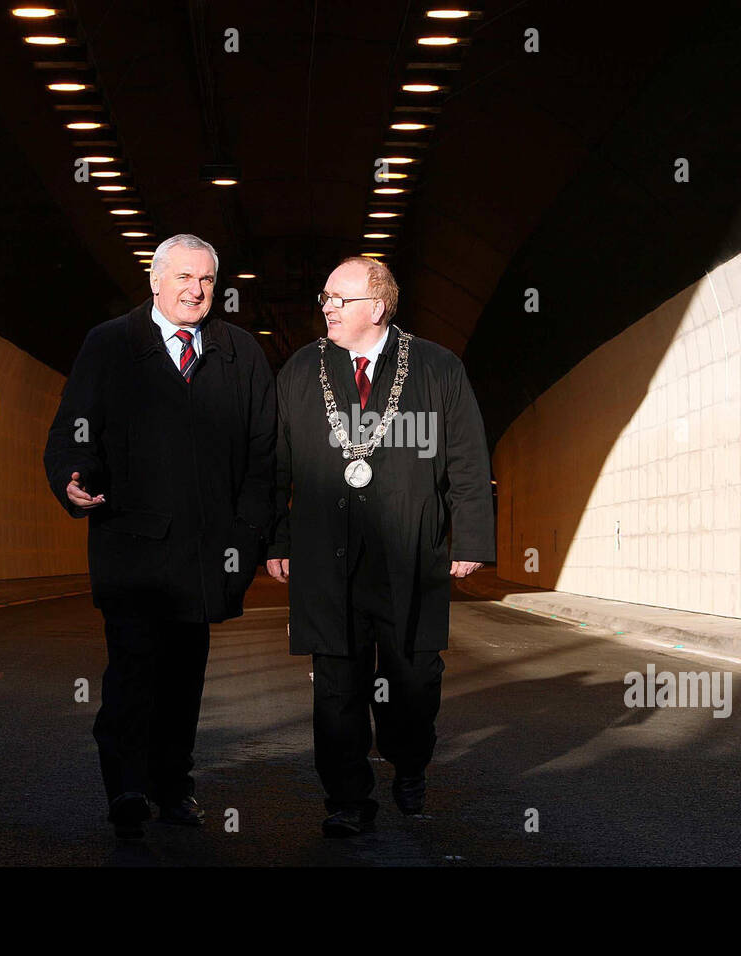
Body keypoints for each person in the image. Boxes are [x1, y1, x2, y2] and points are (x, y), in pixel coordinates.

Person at [43, 233, 275, 841]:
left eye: (205, 281)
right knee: (132, 671)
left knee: (184, 679)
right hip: (130, 547)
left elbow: (263, 457)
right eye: (182, 279)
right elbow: (75, 429)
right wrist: (73, 478)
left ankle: (174, 785)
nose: (195, 291)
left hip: (204, 555)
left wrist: (249, 541)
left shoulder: (240, 353)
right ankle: (127, 787)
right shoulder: (110, 344)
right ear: (154, 281)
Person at [265, 256, 495, 837]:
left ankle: (410, 758)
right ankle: (347, 800)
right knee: (336, 687)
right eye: (324, 298)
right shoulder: (300, 370)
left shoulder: (438, 368)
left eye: (338, 299)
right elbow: (276, 464)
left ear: (378, 306)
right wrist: (277, 536)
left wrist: (468, 536)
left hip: (410, 557)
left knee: (413, 682)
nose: (326, 308)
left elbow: (467, 459)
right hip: (326, 557)